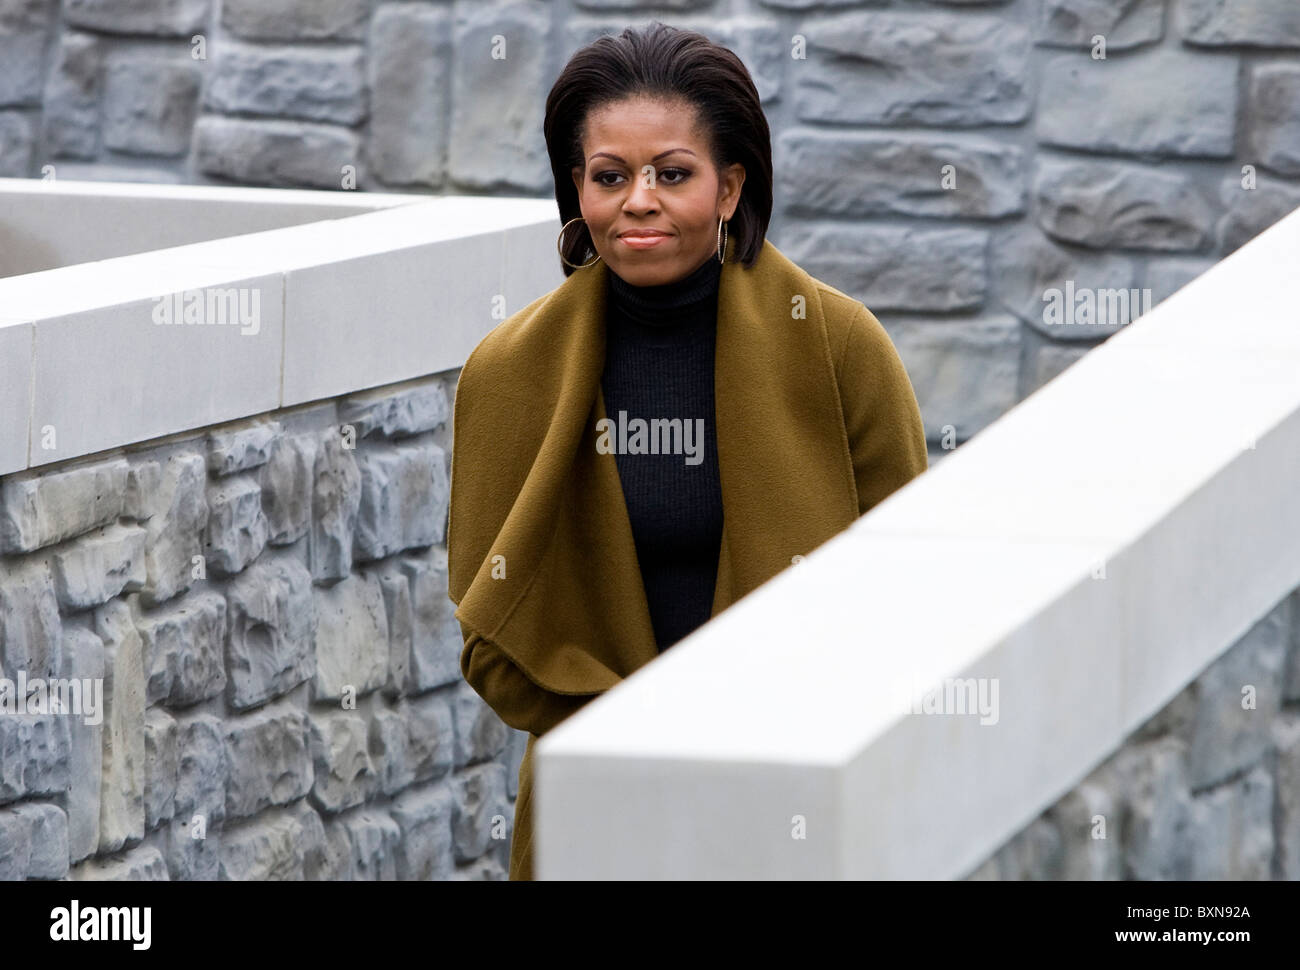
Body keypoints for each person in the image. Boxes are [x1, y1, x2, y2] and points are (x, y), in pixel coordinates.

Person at [447, 22, 928, 881]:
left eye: (673, 174)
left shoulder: (839, 346)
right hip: (595, 819)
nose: (638, 200)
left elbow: (905, 601)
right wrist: (639, 740)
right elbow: (490, 636)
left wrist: (737, 736)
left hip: (792, 806)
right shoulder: (508, 372)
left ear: (730, 186)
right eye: (609, 176)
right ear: (577, 188)